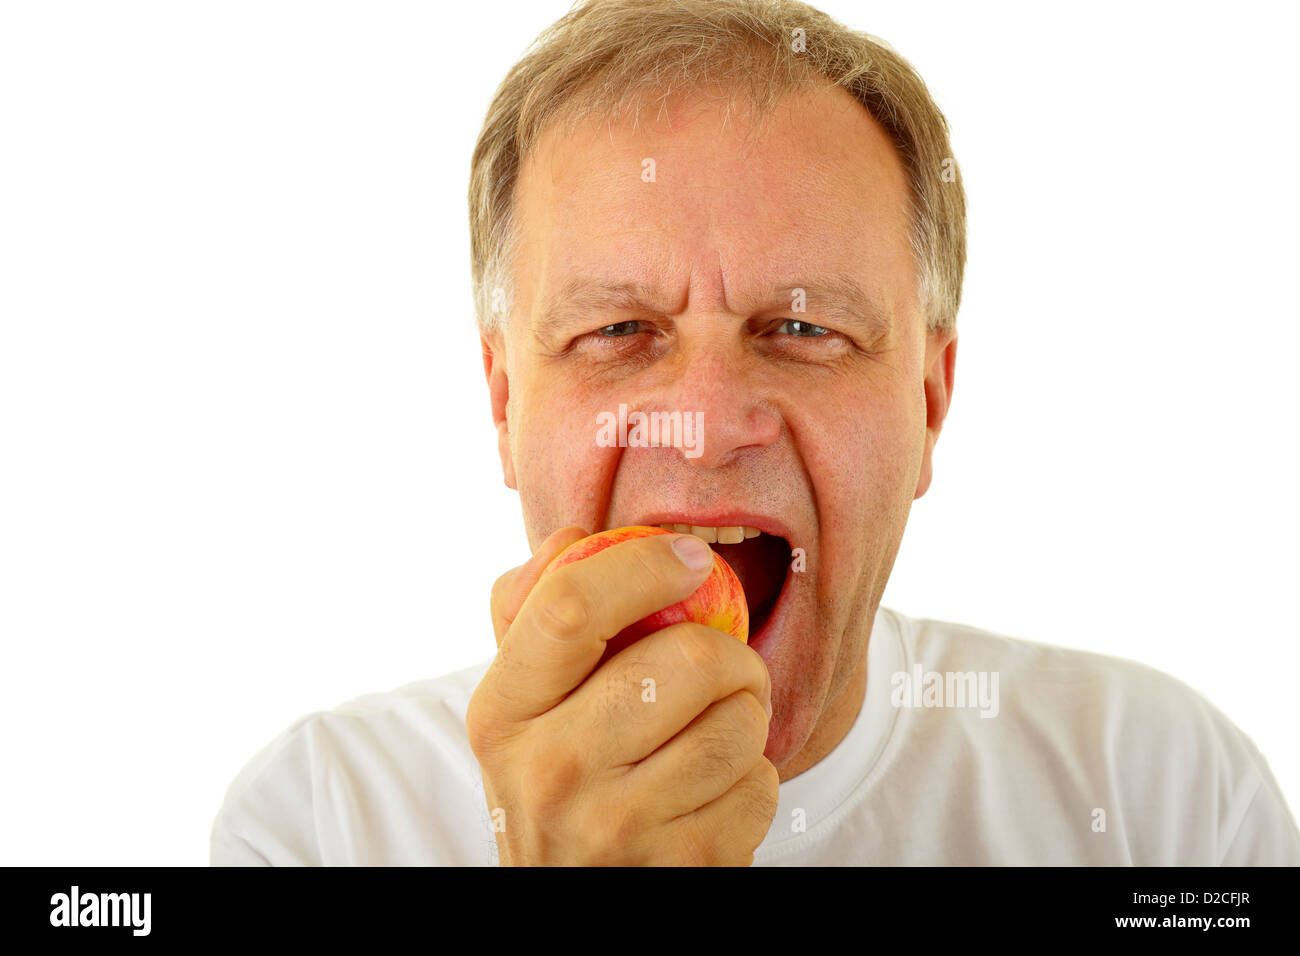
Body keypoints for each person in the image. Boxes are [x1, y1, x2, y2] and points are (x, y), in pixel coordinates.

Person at [210, 0, 1300, 866]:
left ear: (928, 402)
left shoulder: (1169, 798)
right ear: (504, 403)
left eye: (800, 325)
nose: (707, 427)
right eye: (618, 329)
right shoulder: (315, 825)